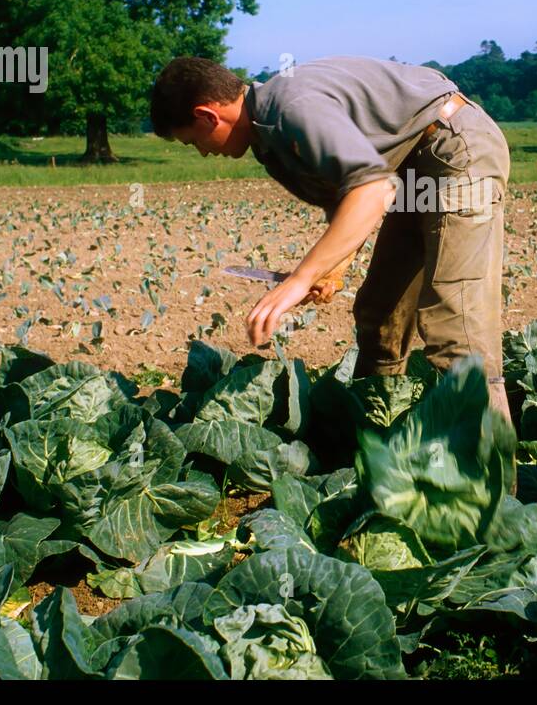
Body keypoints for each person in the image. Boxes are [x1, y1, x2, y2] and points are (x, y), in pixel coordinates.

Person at [148, 54, 514, 431]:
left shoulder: (292, 108)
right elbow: (349, 196)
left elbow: (370, 190)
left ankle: (491, 474)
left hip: (454, 150)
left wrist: (299, 280)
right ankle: (378, 435)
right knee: (380, 312)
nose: (204, 152)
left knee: (455, 323)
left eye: (195, 142)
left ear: (208, 115)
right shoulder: (266, 136)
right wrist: (331, 270)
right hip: (409, 171)